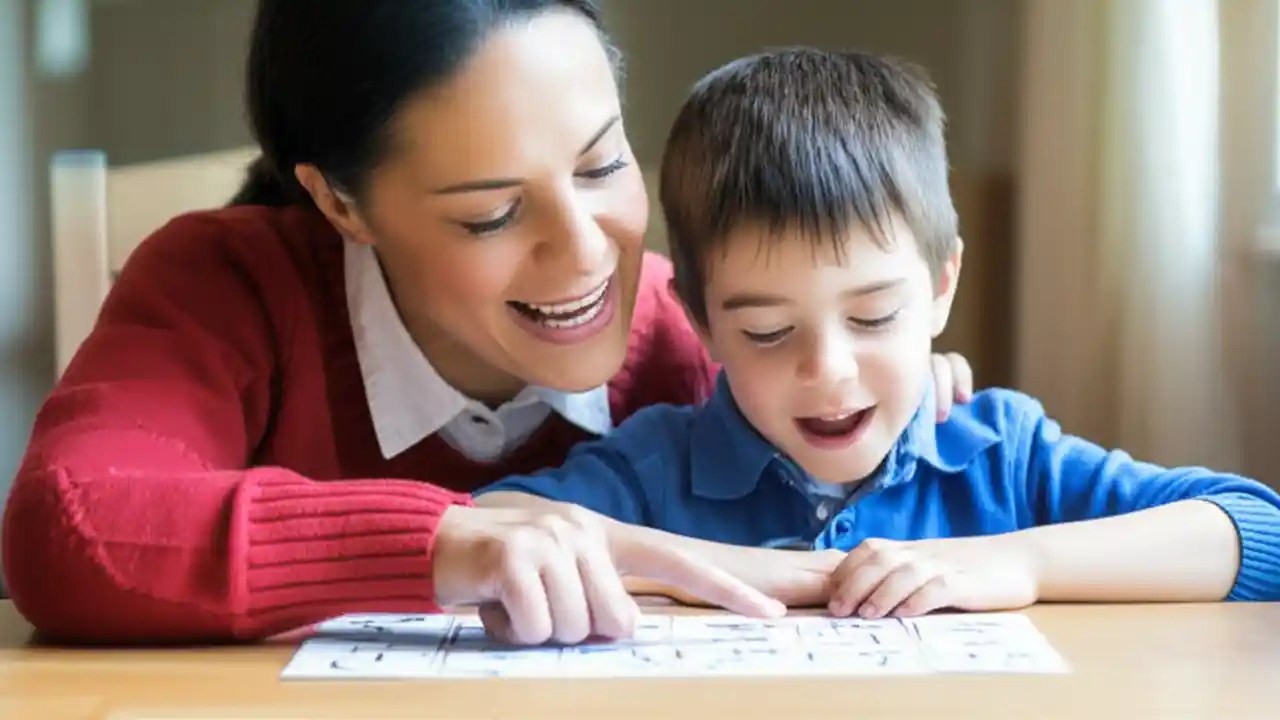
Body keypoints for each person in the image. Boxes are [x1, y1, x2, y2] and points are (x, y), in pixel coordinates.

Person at [0, 1, 976, 645]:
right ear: (342, 204)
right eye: (491, 214)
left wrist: (882, 393)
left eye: (600, 166)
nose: (586, 254)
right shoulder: (227, 287)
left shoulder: (689, 338)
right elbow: (66, 529)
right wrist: (445, 541)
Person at [477, 48, 1280, 621]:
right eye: (766, 330)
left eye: (872, 318)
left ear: (940, 289)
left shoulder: (997, 453)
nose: (827, 371)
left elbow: (1259, 532)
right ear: (701, 321)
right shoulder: (659, 467)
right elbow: (477, 534)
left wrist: (1019, 561)